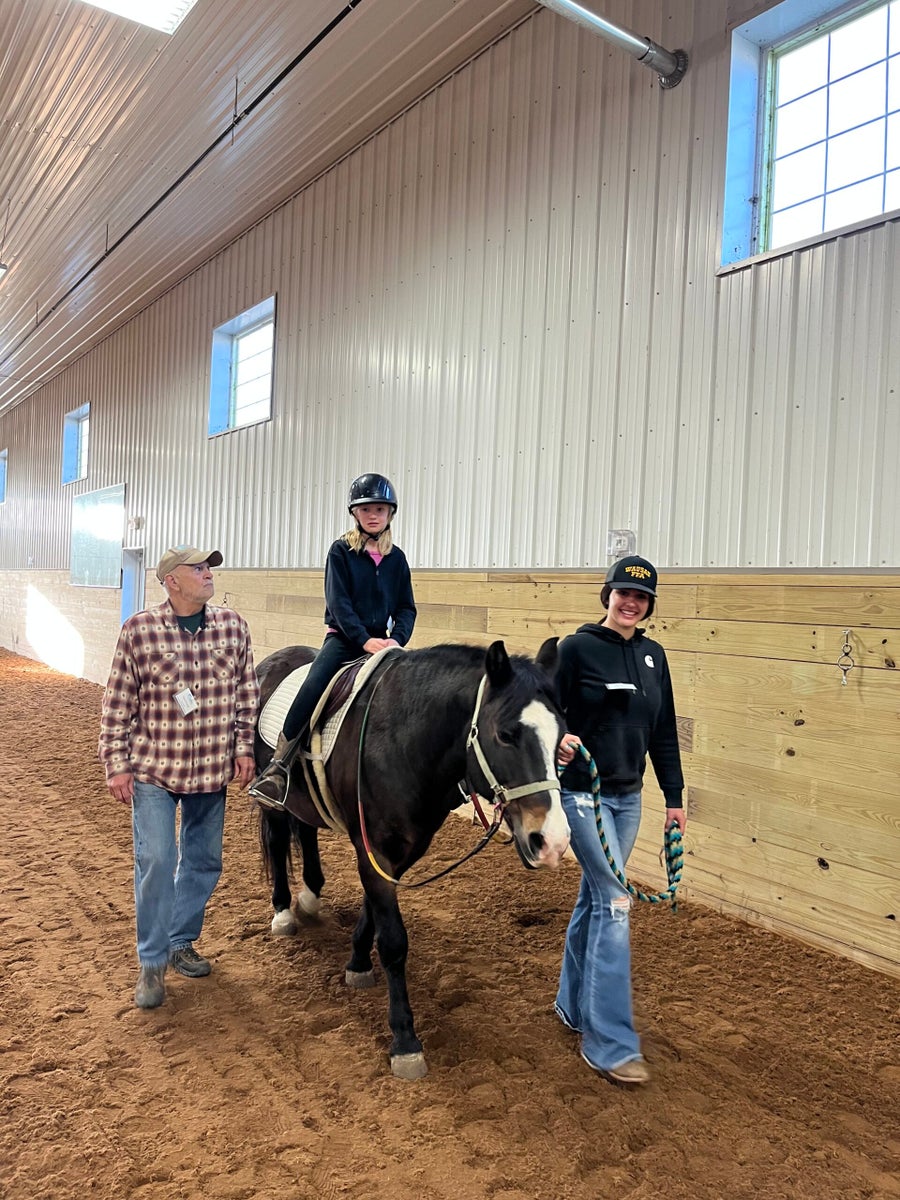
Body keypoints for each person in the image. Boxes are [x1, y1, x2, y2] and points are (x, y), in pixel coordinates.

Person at [99, 545, 259, 1010]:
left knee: (205, 861)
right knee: (157, 860)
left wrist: (244, 747)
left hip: (212, 767)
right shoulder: (139, 631)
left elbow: (247, 693)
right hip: (154, 769)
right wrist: (116, 762)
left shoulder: (233, 627)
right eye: (199, 568)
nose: (208, 574)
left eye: (210, 568)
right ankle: (151, 963)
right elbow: (117, 704)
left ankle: (179, 941)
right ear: (171, 580)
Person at [554, 555, 686, 1087]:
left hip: (628, 798)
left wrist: (673, 799)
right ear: (606, 595)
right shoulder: (576, 648)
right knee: (614, 901)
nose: (630, 603)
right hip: (583, 794)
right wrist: (559, 737)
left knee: (594, 898)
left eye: (641, 597)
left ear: (649, 605)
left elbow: (664, 733)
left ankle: (571, 1006)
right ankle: (608, 1043)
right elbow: (545, 708)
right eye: (622, 593)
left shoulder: (655, 657)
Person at [249, 472, 416, 809]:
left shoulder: (396, 559)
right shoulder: (340, 552)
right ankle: (279, 766)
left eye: (380, 510)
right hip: (343, 640)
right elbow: (338, 604)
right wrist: (364, 640)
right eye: (367, 509)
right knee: (312, 686)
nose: (373, 515)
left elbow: (406, 607)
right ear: (355, 513)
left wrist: (395, 640)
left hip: (384, 645)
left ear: (390, 515)